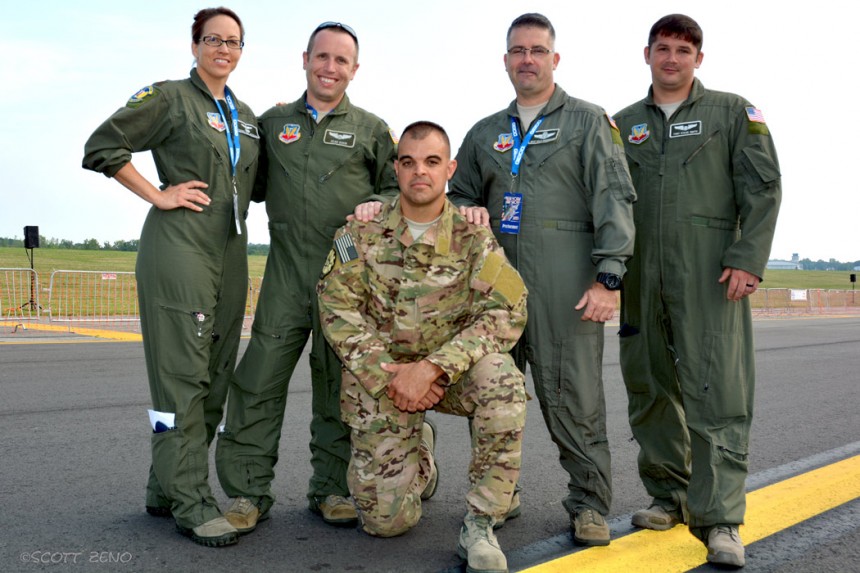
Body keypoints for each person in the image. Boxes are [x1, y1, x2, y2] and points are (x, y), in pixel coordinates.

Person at [448, 13, 636, 546]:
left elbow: (614, 198)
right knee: (492, 395)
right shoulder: (485, 132)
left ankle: (589, 502)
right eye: (517, 50)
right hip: (496, 290)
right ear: (505, 60)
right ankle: (498, 495)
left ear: (555, 58)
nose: (526, 59)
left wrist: (609, 278)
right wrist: (466, 210)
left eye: (536, 50)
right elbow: (457, 194)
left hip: (566, 283)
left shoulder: (588, 121)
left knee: (573, 395)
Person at [82, 7, 259, 547]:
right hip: (179, 249)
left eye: (233, 41)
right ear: (194, 44)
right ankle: (191, 500)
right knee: (181, 380)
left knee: (215, 377)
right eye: (213, 39)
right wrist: (159, 195)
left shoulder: (246, 115)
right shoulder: (169, 97)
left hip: (230, 252)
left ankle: (165, 486)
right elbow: (102, 146)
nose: (223, 49)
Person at [318, 121, 527, 573]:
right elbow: (337, 307)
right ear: (396, 168)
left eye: (432, 161)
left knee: (502, 380)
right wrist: (391, 375)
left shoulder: (473, 235)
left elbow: (507, 308)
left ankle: (482, 522)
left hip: (451, 376)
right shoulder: (361, 232)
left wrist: (433, 368)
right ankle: (421, 461)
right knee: (386, 523)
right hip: (385, 380)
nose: (420, 172)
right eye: (409, 162)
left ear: (449, 169)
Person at [215, 21, 398, 533]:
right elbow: (244, 181)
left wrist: (376, 204)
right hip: (285, 273)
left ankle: (332, 489)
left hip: (347, 280)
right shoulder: (272, 123)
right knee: (257, 381)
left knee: (338, 385)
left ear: (355, 70)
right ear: (305, 59)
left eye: (341, 60)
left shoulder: (372, 129)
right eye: (322, 56)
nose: (329, 68)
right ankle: (247, 492)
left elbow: (397, 189)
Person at [613, 14, 782, 568]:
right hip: (641, 276)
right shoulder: (621, 125)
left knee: (718, 395)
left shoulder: (733, 113)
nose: (672, 59)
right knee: (650, 387)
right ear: (647, 55)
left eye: (683, 50)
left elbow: (763, 187)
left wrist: (748, 257)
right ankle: (670, 496)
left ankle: (722, 519)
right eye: (662, 48)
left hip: (710, 275)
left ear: (698, 59)